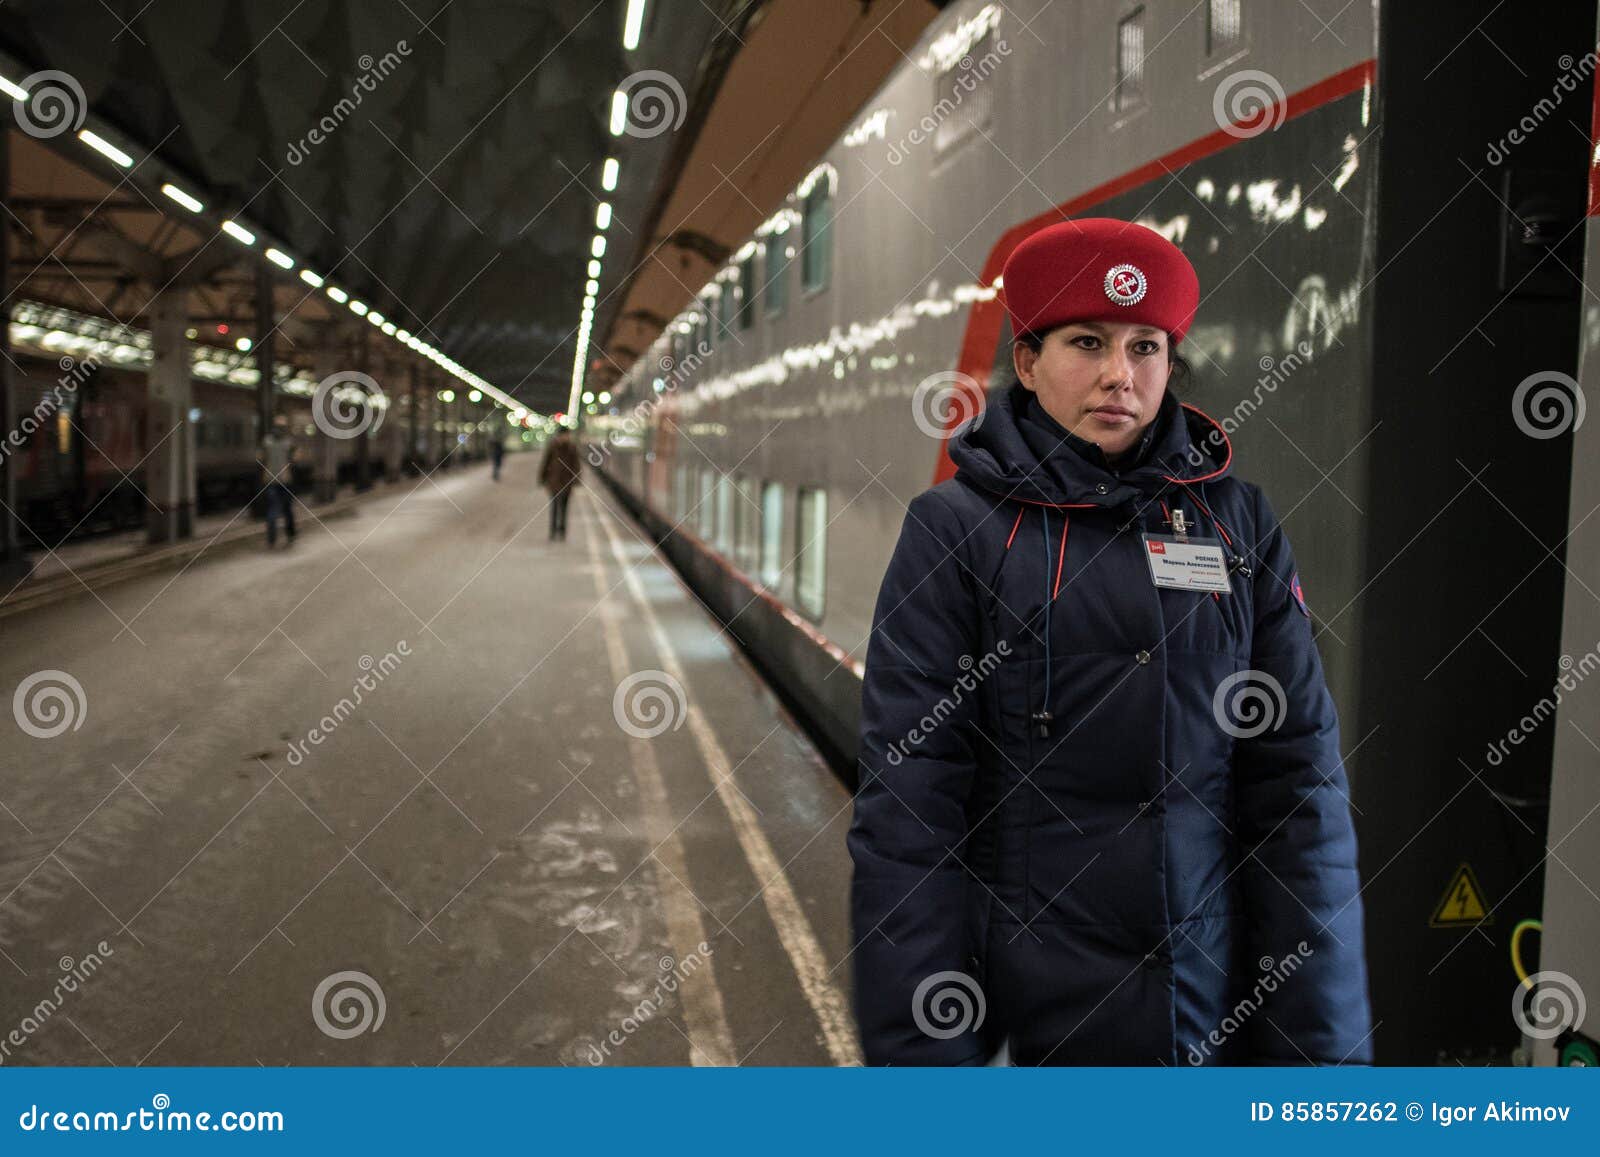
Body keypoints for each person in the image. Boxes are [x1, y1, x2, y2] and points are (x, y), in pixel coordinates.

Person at [847, 217, 1372, 1067]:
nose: (1119, 375)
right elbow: (911, 812)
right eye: (1087, 342)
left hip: (1204, 1015)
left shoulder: (1237, 525)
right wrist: (924, 1056)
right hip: (1027, 1027)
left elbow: (1299, 797)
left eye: (1145, 346)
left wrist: (1324, 1058)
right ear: (1027, 361)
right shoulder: (958, 532)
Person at [257, 411, 299, 548]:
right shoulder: (289, 442)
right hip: (285, 480)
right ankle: (291, 535)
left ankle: (271, 540)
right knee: (287, 509)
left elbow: (259, 458)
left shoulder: (266, 441)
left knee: (272, 510)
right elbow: (297, 458)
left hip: (269, 480)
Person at [538, 425, 581, 541]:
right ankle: (552, 531)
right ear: (559, 436)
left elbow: (576, 464)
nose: (565, 437)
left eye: (567, 435)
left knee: (564, 508)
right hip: (554, 482)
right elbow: (545, 462)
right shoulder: (552, 447)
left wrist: (576, 479)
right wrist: (542, 478)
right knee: (554, 507)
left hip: (567, 482)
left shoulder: (572, 448)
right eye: (564, 435)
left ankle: (562, 531)